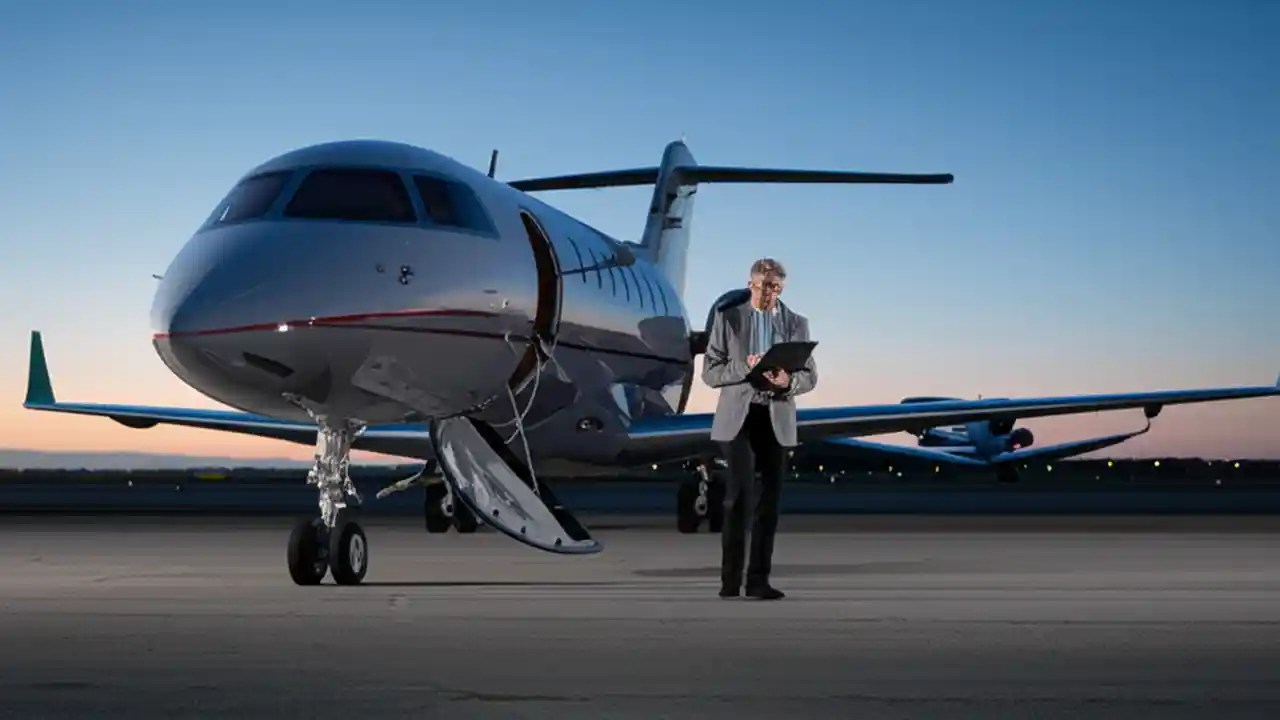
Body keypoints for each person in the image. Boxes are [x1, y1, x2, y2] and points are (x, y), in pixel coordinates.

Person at [701, 257, 817, 599]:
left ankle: (758, 581)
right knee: (737, 498)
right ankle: (729, 582)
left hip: (775, 418)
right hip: (740, 418)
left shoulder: (797, 323)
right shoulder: (729, 319)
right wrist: (743, 365)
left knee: (770, 503)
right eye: (765, 286)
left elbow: (810, 376)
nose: (770, 293)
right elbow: (710, 372)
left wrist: (787, 381)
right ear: (751, 284)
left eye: (777, 287)